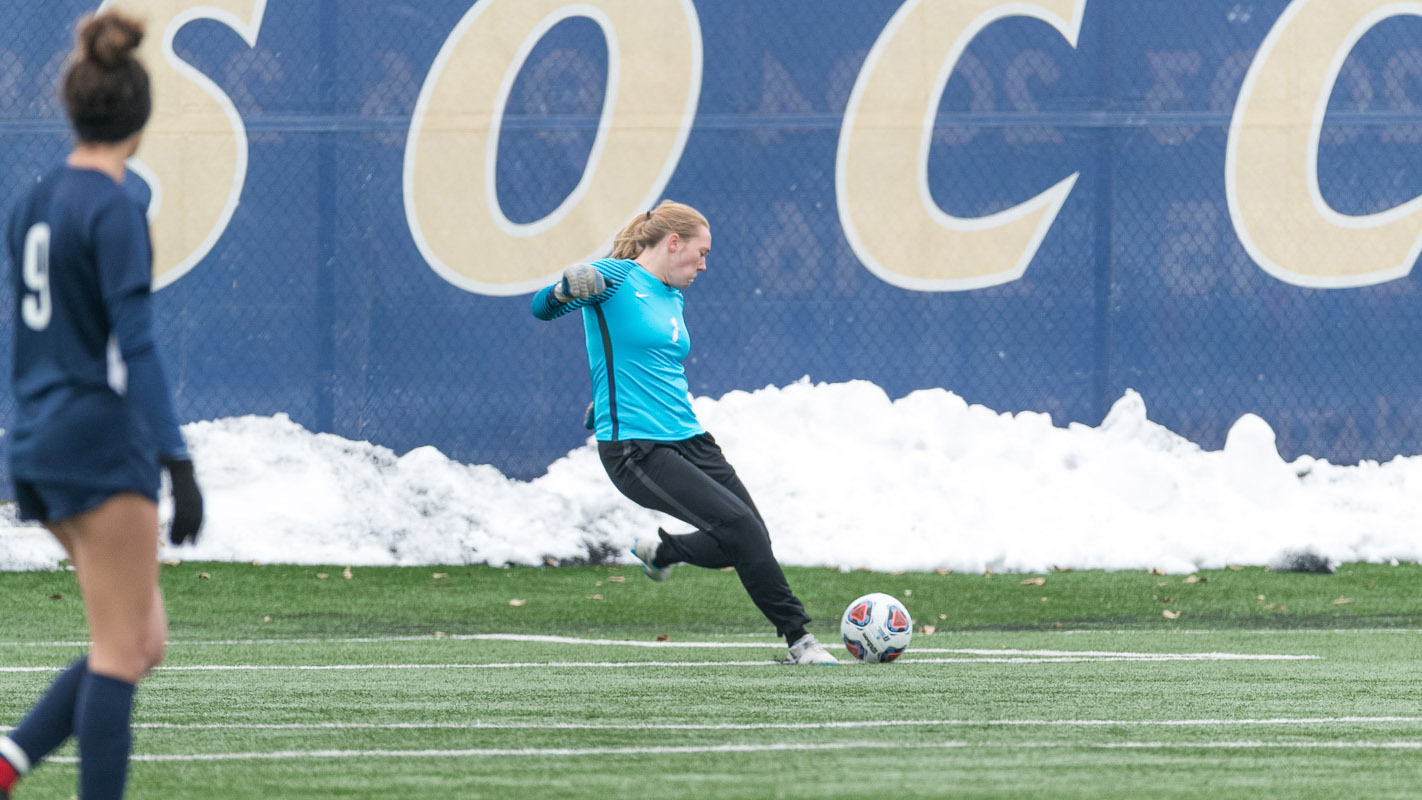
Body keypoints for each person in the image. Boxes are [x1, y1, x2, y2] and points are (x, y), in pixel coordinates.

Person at [0, 11, 204, 800]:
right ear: (140, 121)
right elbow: (137, 346)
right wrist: (176, 458)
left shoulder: (35, 201)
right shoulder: (115, 208)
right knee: (121, 653)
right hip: (96, 440)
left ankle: (11, 761)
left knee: (140, 641)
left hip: (38, 440)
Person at [531, 200, 836, 665]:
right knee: (740, 529)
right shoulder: (615, 276)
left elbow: (645, 364)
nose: (704, 264)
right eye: (701, 252)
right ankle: (800, 641)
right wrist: (561, 290)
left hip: (690, 438)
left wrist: (612, 392)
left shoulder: (673, 295)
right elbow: (542, 308)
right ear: (673, 243)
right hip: (637, 448)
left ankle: (664, 552)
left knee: (750, 537)